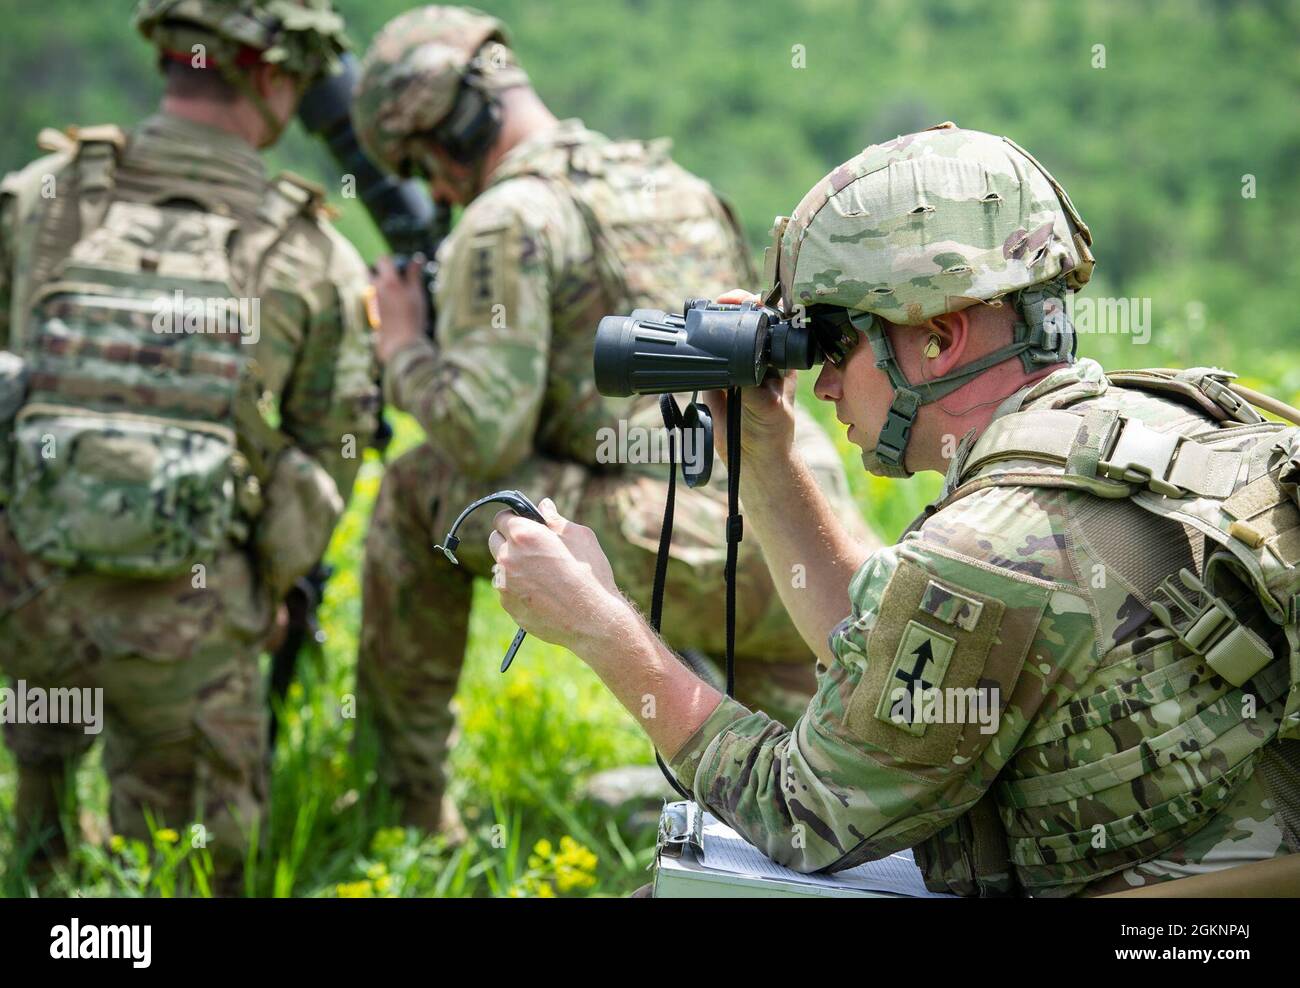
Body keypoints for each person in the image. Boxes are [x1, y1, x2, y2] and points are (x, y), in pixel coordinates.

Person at [486, 123, 1300, 896]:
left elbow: (803, 811)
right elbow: (900, 651)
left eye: (835, 343)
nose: (823, 381)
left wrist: (597, 623)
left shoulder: (993, 545)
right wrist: (761, 458)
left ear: (939, 340)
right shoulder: (1165, 422)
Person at [351, 5, 871, 833]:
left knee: (425, 488)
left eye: (424, 166)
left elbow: (481, 433)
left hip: (688, 551)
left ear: (446, 133)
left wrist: (405, 346)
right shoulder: (675, 185)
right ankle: (756, 782)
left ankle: (400, 808)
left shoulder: (508, 216)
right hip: (806, 546)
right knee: (818, 775)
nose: (438, 193)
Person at [0, 0, 377, 892]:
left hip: (29, 603)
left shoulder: (35, 199)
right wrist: (272, 590)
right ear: (277, 75)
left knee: (37, 855)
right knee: (187, 875)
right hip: (195, 623)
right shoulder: (313, 253)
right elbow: (336, 450)